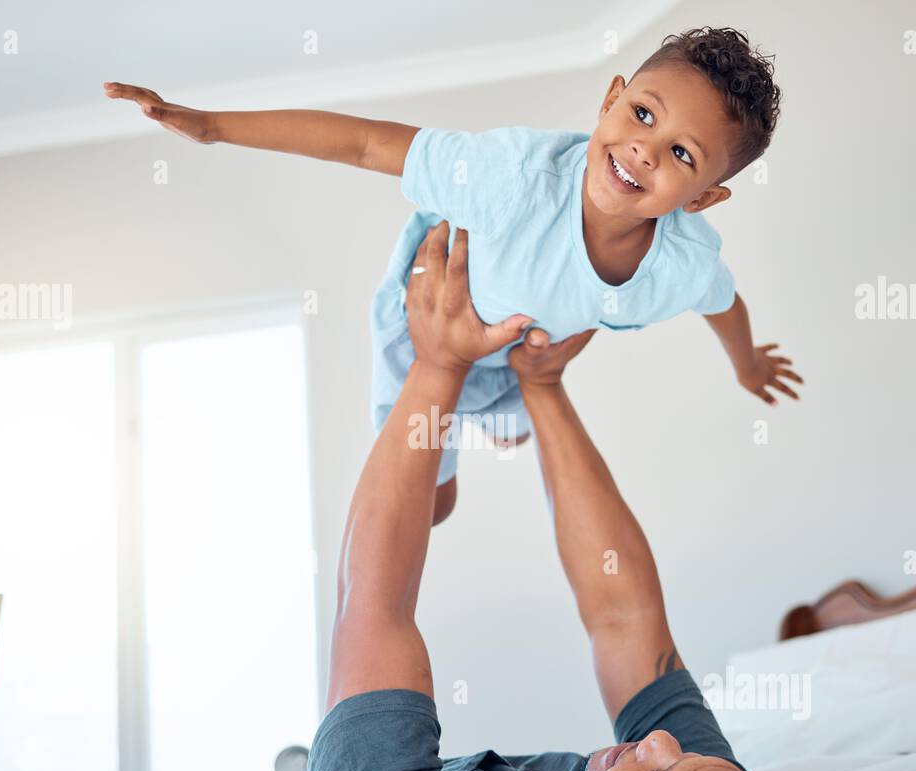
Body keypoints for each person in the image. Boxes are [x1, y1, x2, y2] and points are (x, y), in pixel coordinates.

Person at [112, 220, 800, 771]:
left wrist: (437, 367)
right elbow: (624, 616)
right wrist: (543, 385)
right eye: (677, 754)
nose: (658, 744)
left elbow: (372, 606)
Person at [103, 26, 803, 525]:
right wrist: (216, 127)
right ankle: (469, 435)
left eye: (681, 153)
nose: (643, 150)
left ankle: (503, 418)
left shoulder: (680, 263)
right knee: (435, 509)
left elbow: (723, 301)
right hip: (426, 331)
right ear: (610, 99)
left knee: (511, 424)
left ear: (706, 196)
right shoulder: (511, 178)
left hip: (516, 352)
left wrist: (744, 365)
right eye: (642, 114)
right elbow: (367, 143)